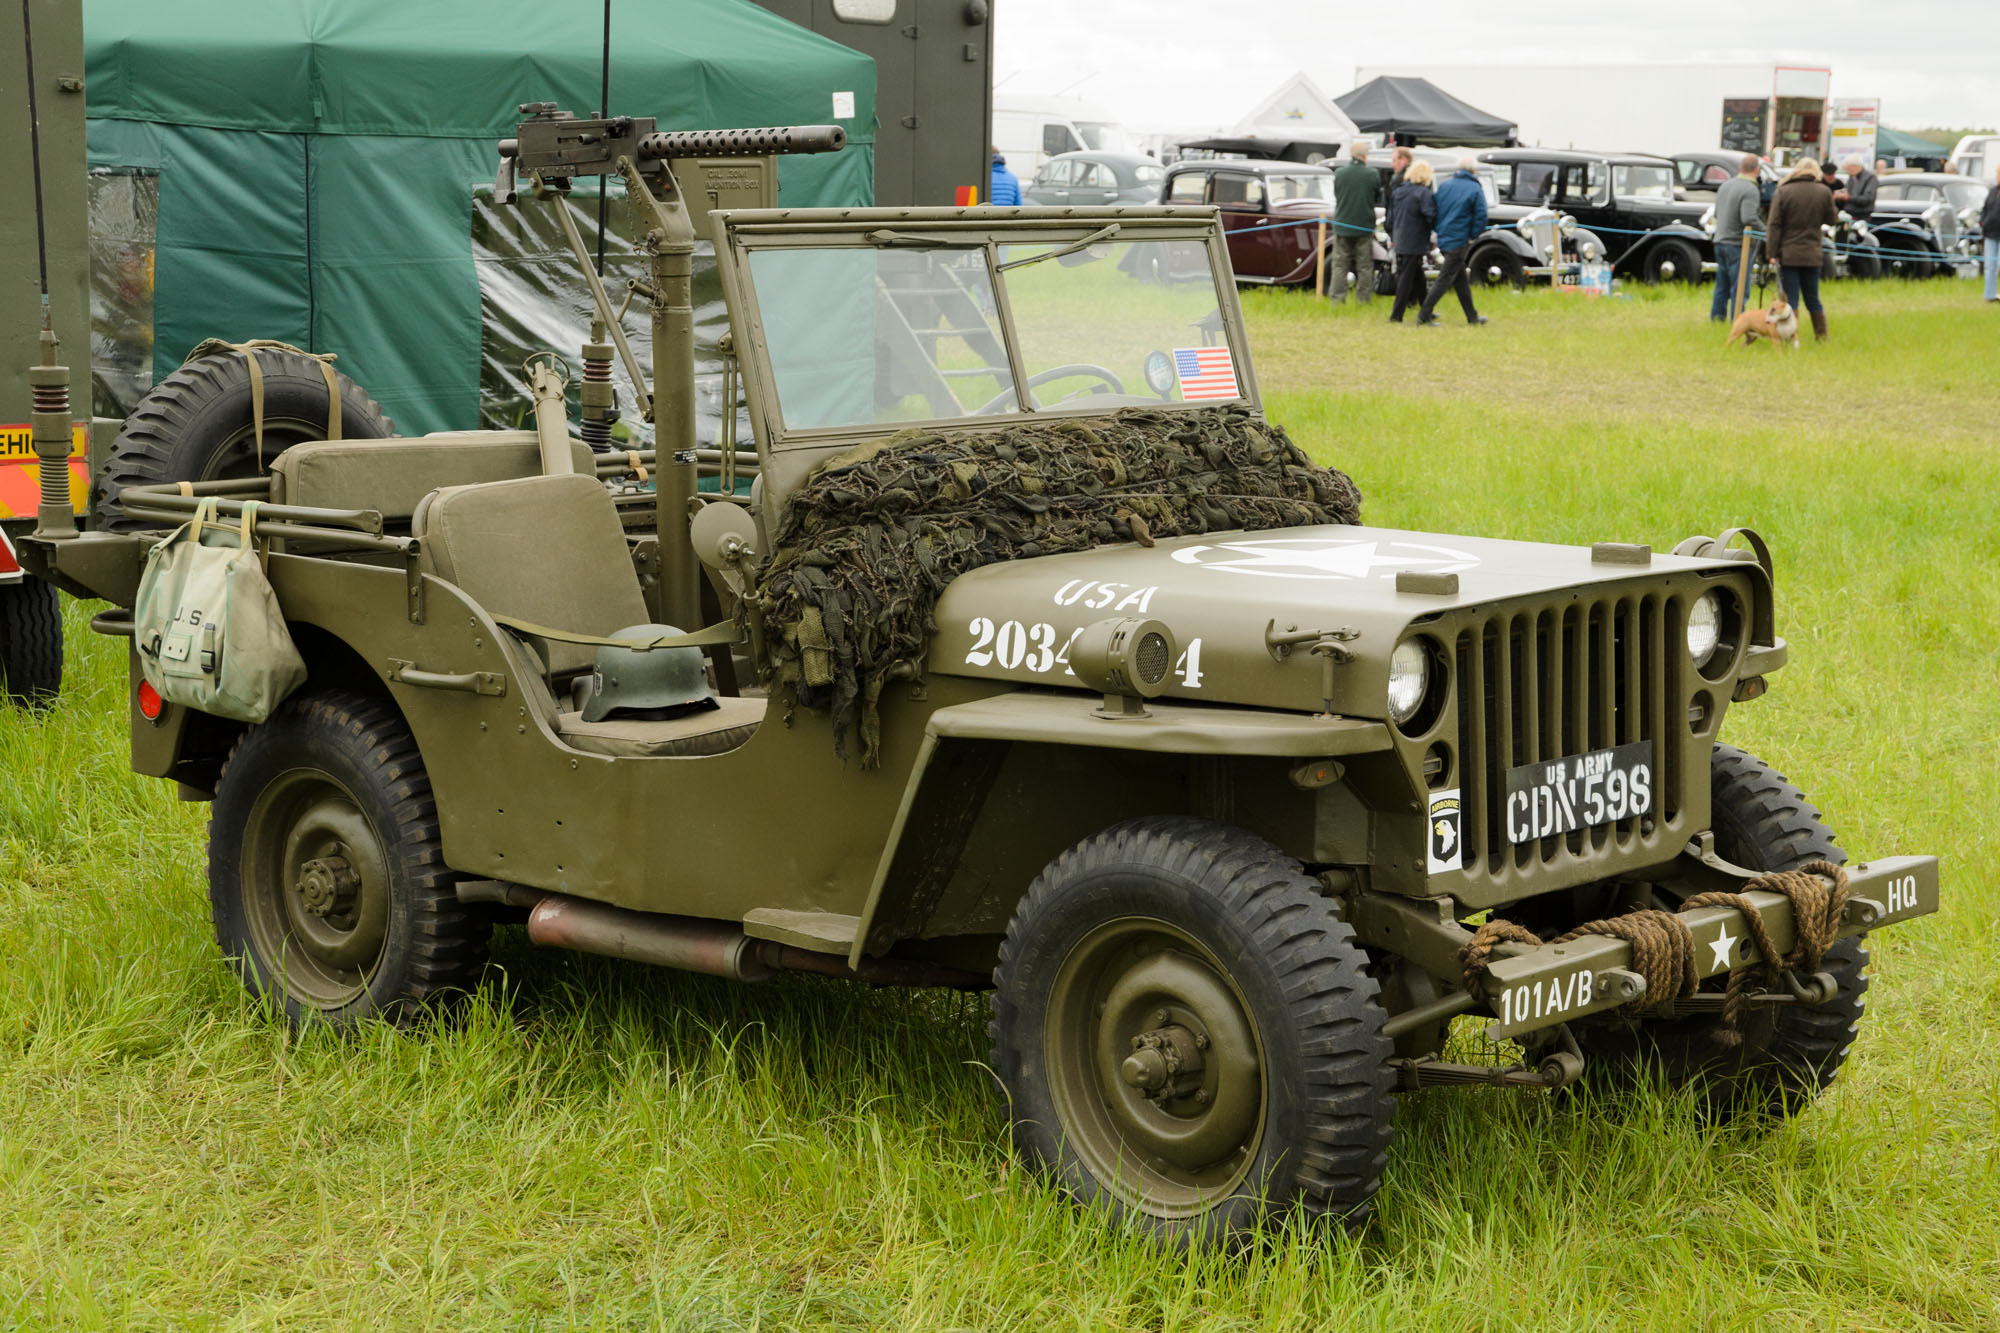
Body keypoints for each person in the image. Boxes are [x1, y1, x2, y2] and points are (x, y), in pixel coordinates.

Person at [1765, 158, 1839, 340]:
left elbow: (1774, 224)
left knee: (1791, 299)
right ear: (1816, 172)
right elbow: (1832, 219)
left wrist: (1771, 253)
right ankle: (1822, 337)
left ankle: (1792, 337)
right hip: (1813, 253)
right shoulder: (1823, 191)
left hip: (1789, 254)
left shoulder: (1783, 191)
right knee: (1813, 298)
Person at [1416, 157, 1490, 325]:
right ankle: (1423, 315)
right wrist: (1473, 235)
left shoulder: (1444, 186)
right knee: (1445, 279)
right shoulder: (1475, 188)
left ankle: (1472, 317)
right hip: (1460, 239)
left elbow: (1434, 211)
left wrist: (1439, 230)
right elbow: (1481, 215)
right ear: (1473, 171)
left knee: (1460, 279)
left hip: (1444, 238)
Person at [1328, 139, 1382, 304]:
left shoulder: (1339, 173)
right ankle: (1364, 300)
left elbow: (1337, 194)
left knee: (1339, 265)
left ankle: (1337, 299)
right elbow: (1376, 198)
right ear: (1365, 156)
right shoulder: (1372, 174)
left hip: (1343, 224)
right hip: (1364, 226)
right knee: (1364, 266)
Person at [1711, 154, 1763, 322]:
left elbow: (1717, 214)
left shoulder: (1725, 185)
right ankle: (1738, 322)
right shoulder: (1750, 189)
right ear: (1757, 170)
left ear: (1740, 168)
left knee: (1722, 286)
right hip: (1737, 244)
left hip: (1720, 241)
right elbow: (1748, 218)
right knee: (1739, 288)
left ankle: (1717, 319)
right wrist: (1766, 231)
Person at [1386, 159, 1437, 323]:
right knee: (1406, 278)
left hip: (1400, 237)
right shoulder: (1423, 193)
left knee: (1417, 274)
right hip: (1415, 239)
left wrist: (1393, 235)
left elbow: (1390, 218)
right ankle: (1396, 315)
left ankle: (1426, 309)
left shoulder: (1398, 191)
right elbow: (1429, 216)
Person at [1981, 164, 2000, 303]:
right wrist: (1982, 221)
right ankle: (1989, 295)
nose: (1997, 177)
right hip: (1990, 234)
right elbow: (1985, 208)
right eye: (1997, 174)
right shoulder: (1993, 191)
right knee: (1989, 266)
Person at [1842, 155, 1877, 224]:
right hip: (1849, 215)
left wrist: (1848, 198)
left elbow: (1867, 198)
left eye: (1848, 168)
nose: (1848, 170)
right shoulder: (1852, 177)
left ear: (1855, 166)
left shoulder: (1870, 178)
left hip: (1862, 216)